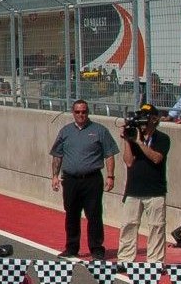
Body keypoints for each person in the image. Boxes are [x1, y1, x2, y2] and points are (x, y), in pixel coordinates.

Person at [49, 101, 118, 259]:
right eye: (78, 112)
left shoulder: (99, 131)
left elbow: (109, 154)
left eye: (84, 112)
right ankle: (72, 248)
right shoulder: (65, 132)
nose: (81, 115)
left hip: (92, 180)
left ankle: (96, 249)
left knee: (94, 215)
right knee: (71, 214)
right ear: (73, 113)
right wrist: (54, 176)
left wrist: (110, 176)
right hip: (71, 180)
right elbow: (57, 155)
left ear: (88, 112)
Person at [117, 104, 170, 266]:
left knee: (156, 227)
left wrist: (140, 143)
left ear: (154, 119)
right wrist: (128, 140)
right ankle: (125, 259)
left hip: (155, 191)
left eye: (146, 117)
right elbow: (128, 162)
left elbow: (156, 158)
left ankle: (156, 262)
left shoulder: (162, 138)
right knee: (128, 225)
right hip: (134, 190)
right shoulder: (134, 136)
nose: (143, 121)